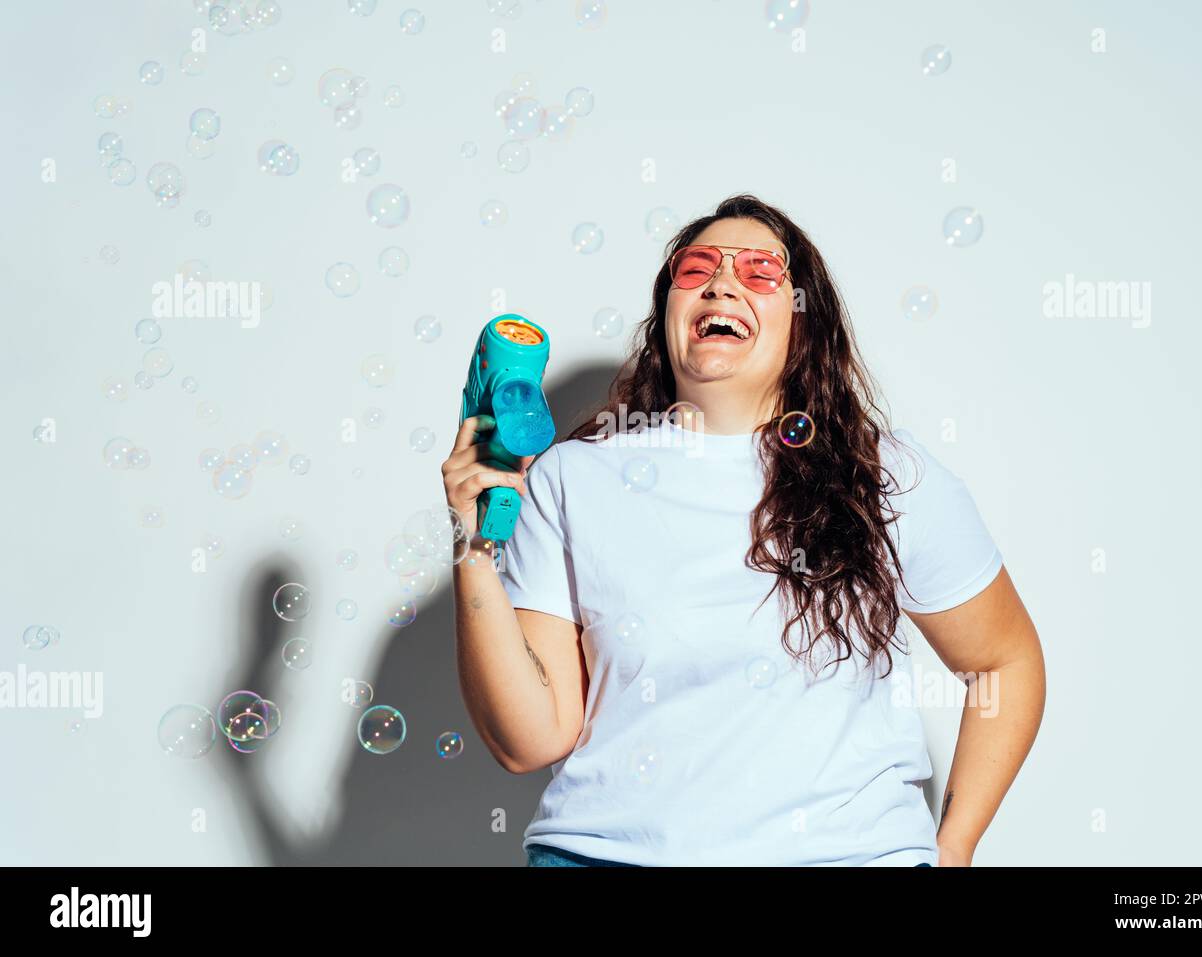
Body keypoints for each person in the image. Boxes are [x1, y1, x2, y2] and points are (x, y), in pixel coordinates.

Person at [443, 194, 1045, 867]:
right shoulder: (569, 478)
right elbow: (527, 739)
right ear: (668, 310)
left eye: (760, 271)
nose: (722, 282)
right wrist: (473, 545)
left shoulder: (884, 474)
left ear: (802, 320)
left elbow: (1003, 662)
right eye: (696, 268)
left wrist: (954, 844)